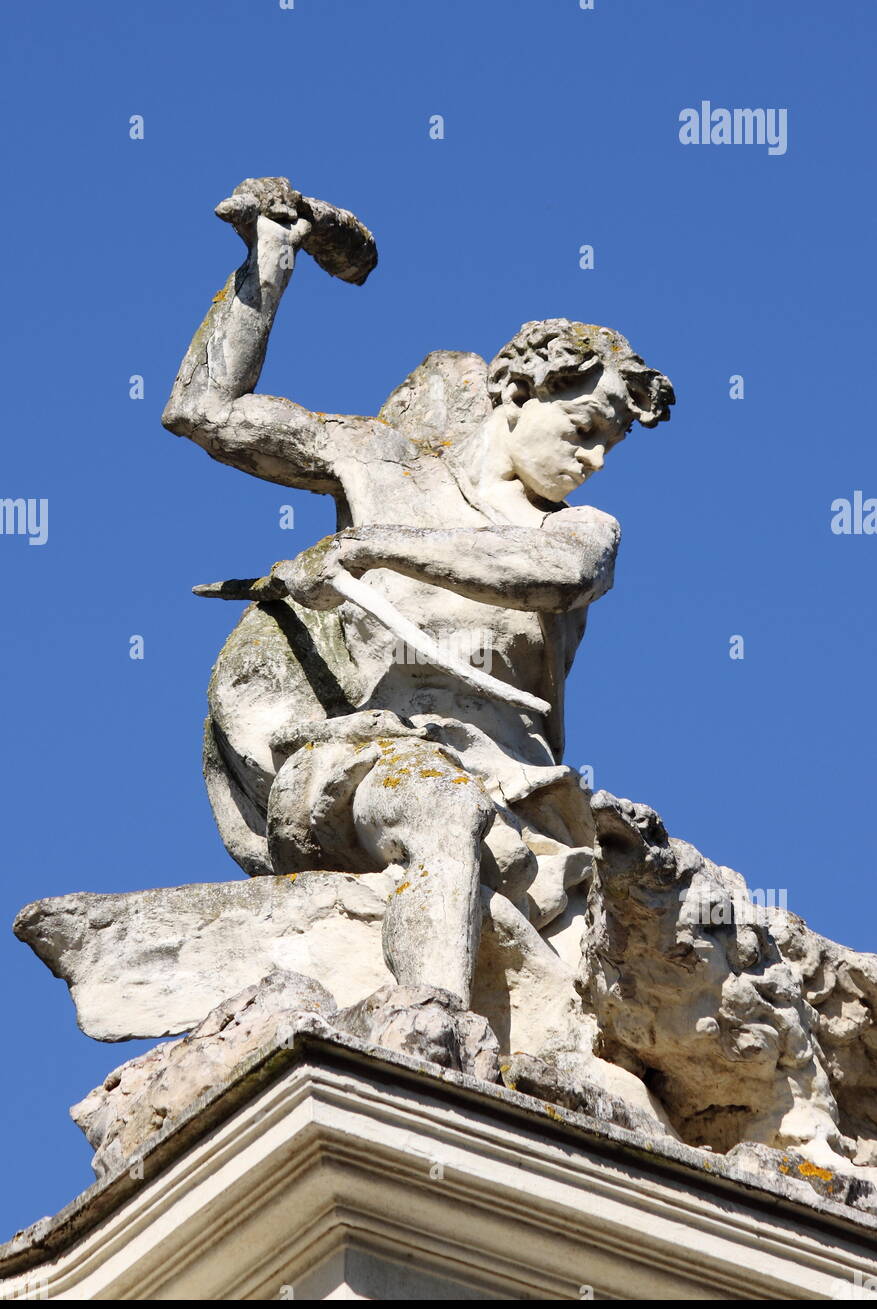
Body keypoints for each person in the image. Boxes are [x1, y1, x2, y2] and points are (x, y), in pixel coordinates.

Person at [163, 177, 674, 1055]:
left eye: (609, 446)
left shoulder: (578, 532)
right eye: (582, 426)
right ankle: (429, 1032)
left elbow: (549, 575)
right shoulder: (378, 460)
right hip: (368, 755)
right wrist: (267, 269)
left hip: (524, 785)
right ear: (517, 389)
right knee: (439, 808)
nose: (592, 459)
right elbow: (203, 411)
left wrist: (371, 548)